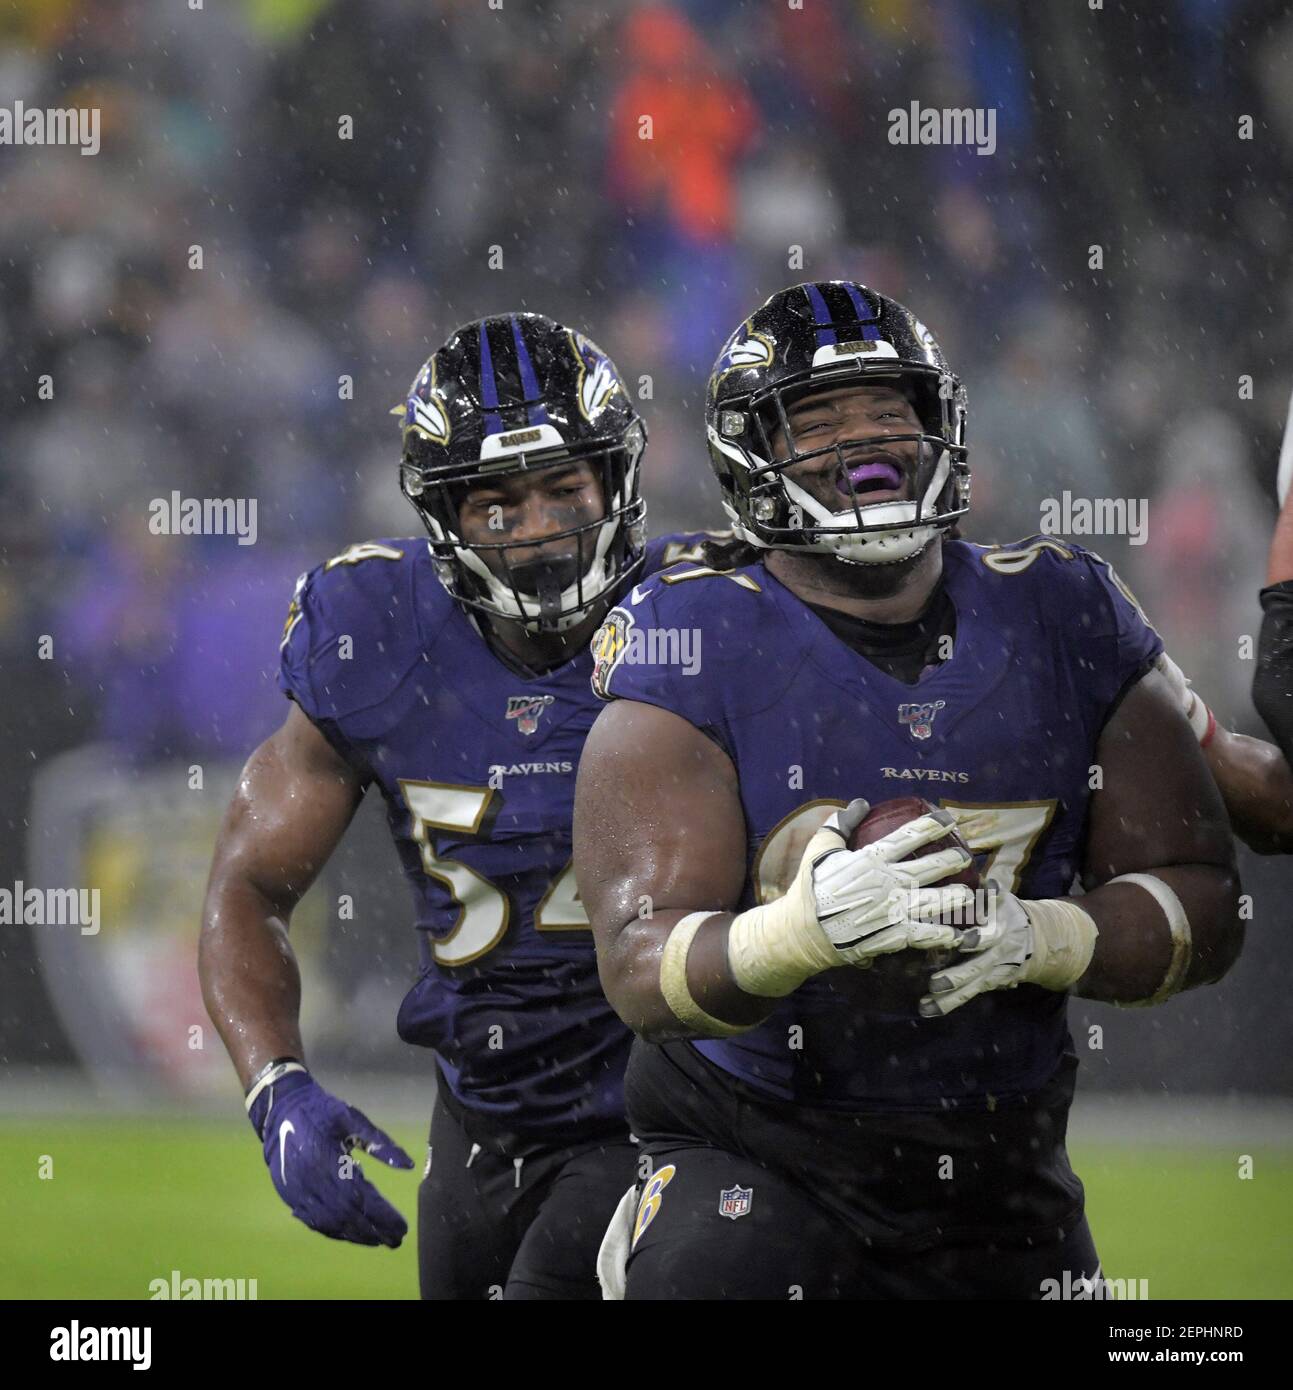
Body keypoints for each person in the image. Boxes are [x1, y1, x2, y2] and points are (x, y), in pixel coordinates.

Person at [574, 281, 1243, 1299]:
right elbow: (636, 958)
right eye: (822, 417)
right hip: (760, 1148)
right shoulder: (690, 632)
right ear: (752, 453)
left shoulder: (1061, 610)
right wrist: (800, 932)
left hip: (998, 1156)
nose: (867, 439)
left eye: (891, 409)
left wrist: (1044, 936)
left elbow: (1205, 892)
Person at [199, 313, 713, 1299]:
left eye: (565, 487)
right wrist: (277, 1086)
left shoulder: (709, 616)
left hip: (662, 1115)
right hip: (481, 1118)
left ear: (616, 477)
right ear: (444, 517)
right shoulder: (374, 629)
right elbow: (249, 883)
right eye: (498, 504)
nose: (541, 528)